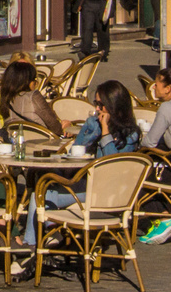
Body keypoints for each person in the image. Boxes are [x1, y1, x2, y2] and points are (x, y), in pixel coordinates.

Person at [23, 81, 139, 248]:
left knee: (41, 194)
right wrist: (90, 131)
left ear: (114, 105)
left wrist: (105, 131)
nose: (97, 109)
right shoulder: (96, 125)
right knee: (41, 190)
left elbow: (111, 164)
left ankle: (35, 244)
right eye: (96, 103)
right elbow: (76, 151)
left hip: (108, 193)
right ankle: (44, 236)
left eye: (101, 105)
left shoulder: (130, 135)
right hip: (87, 184)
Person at [0, 60, 62, 135]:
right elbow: (55, 128)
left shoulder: (5, 98)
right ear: (27, 81)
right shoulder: (33, 97)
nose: (36, 84)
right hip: (40, 143)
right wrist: (64, 126)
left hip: (16, 142)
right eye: (34, 80)